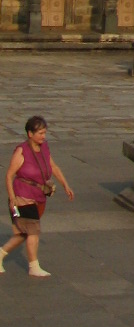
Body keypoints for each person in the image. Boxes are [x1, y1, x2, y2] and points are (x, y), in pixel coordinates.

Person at [2, 115, 74, 278]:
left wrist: (65, 185)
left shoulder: (45, 148)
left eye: (44, 133)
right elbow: (9, 175)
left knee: (23, 234)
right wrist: (12, 198)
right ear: (30, 134)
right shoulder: (22, 151)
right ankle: (33, 266)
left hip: (38, 197)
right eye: (40, 133)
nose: (43, 136)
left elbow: (53, 166)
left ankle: (0, 255)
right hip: (22, 197)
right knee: (33, 231)